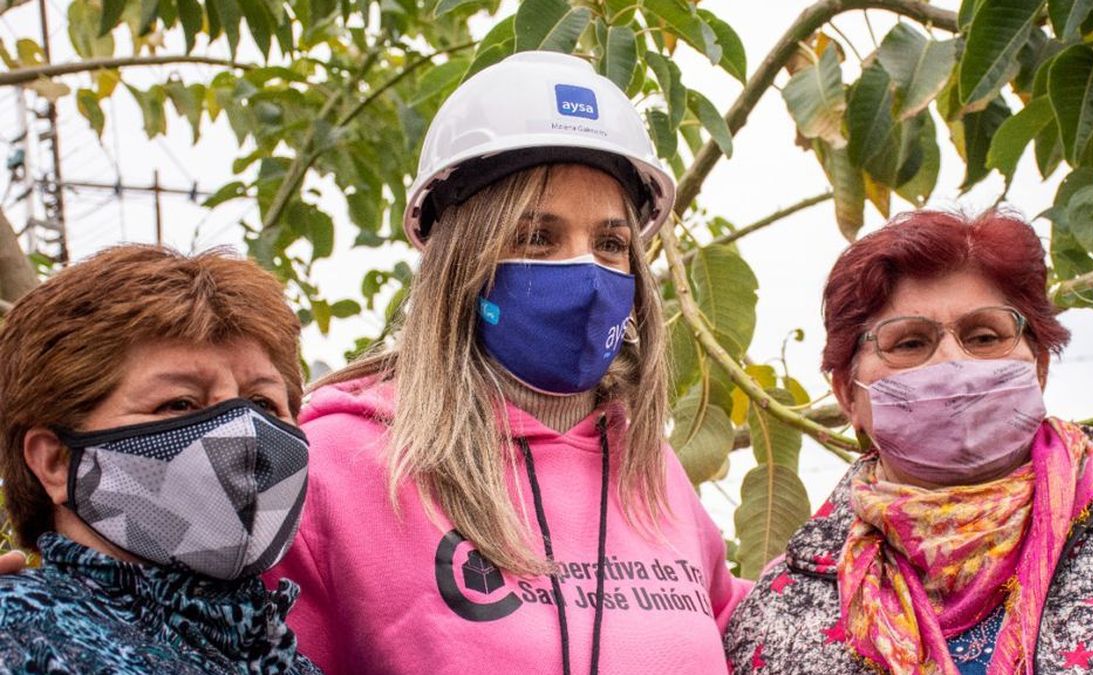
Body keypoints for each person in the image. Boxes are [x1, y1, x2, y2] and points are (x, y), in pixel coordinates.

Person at [262, 50, 748, 674]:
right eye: (537, 237)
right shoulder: (337, 465)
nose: (585, 272)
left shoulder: (650, 469)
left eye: (610, 243)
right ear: (462, 261)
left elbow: (746, 632)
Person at [723, 209, 1093, 674]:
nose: (953, 362)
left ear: (1039, 366)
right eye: (909, 343)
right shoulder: (775, 618)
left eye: (985, 336)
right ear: (848, 394)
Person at [0, 245, 320, 674]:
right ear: (55, 462)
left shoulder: (282, 659)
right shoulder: (23, 637)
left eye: (263, 404)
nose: (243, 436)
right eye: (180, 403)